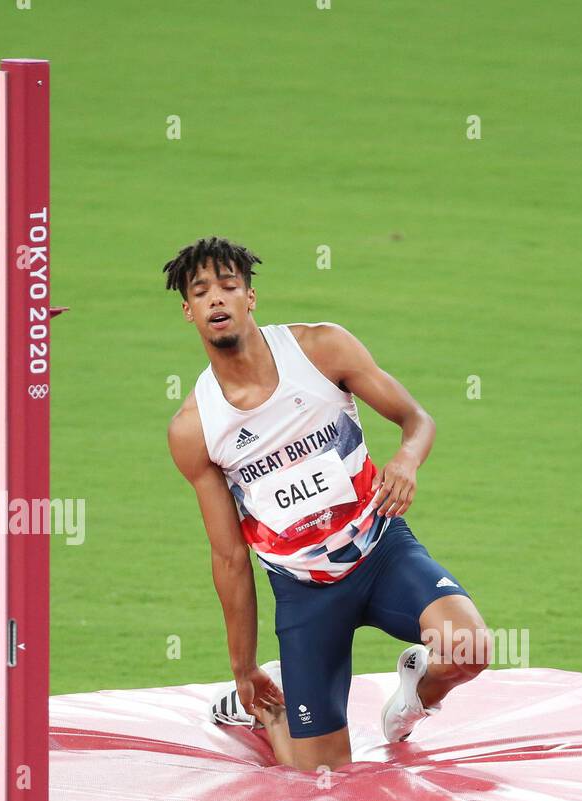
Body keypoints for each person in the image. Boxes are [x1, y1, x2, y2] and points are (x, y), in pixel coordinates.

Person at [164, 237, 491, 771]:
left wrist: (405, 461)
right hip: (305, 593)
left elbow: (417, 419)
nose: (216, 300)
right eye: (201, 293)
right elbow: (228, 558)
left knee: (471, 649)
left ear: (251, 297)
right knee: (320, 775)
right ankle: (266, 716)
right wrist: (244, 669)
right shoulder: (195, 428)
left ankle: (416, 696)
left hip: (382, 553)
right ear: (189, 311)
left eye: (228, 286)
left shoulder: (320, 350)